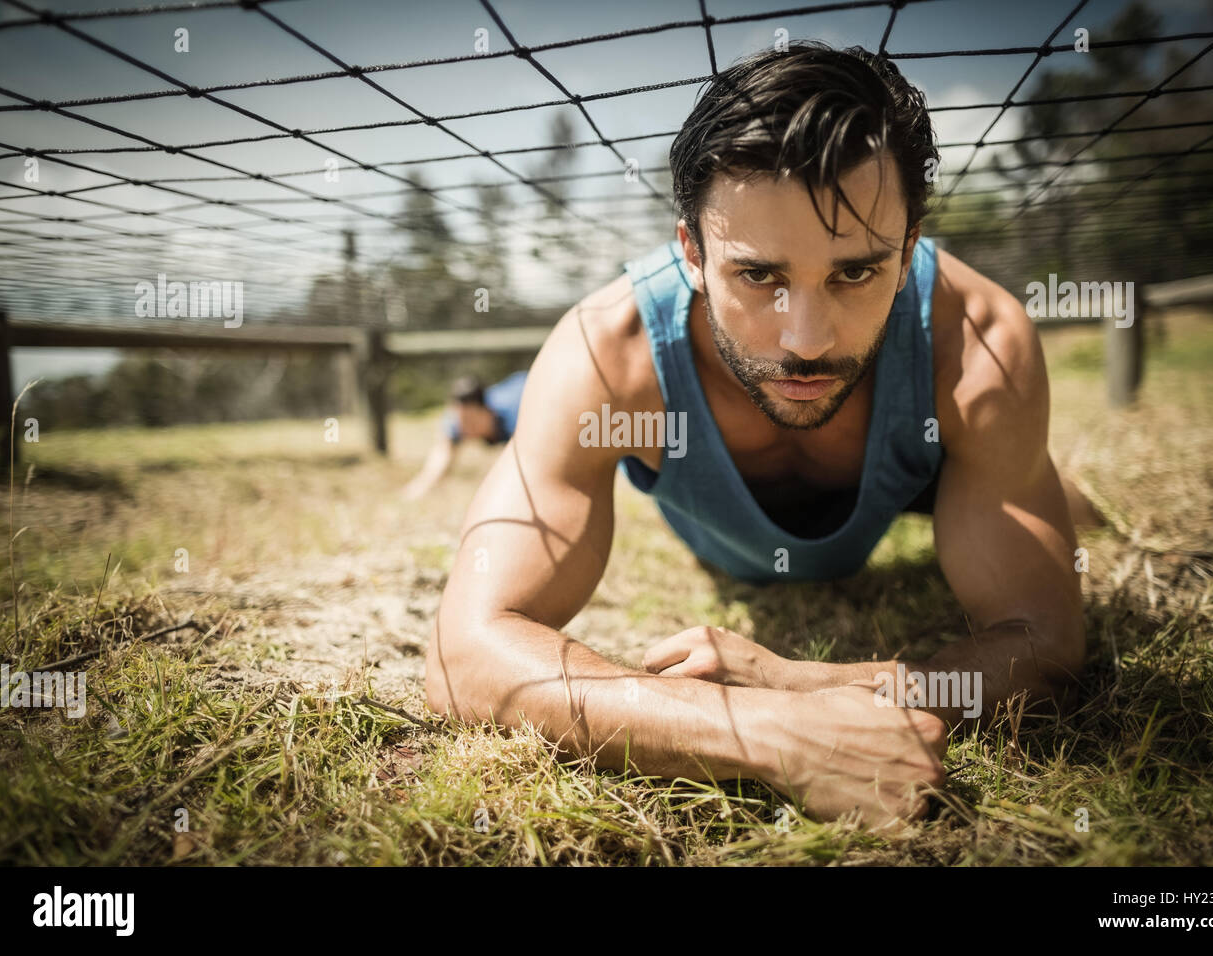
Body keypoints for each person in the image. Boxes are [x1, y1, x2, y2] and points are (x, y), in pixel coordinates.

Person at [426, 42, 1101, 829]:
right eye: (759, 277)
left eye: (855, 272)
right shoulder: (607, 358)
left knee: (1062, 502)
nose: (806, 341)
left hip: (921, 476)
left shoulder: (977, 344)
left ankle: (1071, 494)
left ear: (910, 248)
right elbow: (465, 652)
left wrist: (795, 684)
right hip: (738, 531)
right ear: (692, 254)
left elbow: (1046, 647)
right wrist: (762, 734)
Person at [400, 371, 527, 502]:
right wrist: (420, 487)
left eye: (471, 421)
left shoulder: (518, 416)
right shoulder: (457, 421)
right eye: (461, 421)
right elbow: (442, 455)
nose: (464, 429)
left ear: (488, 411)